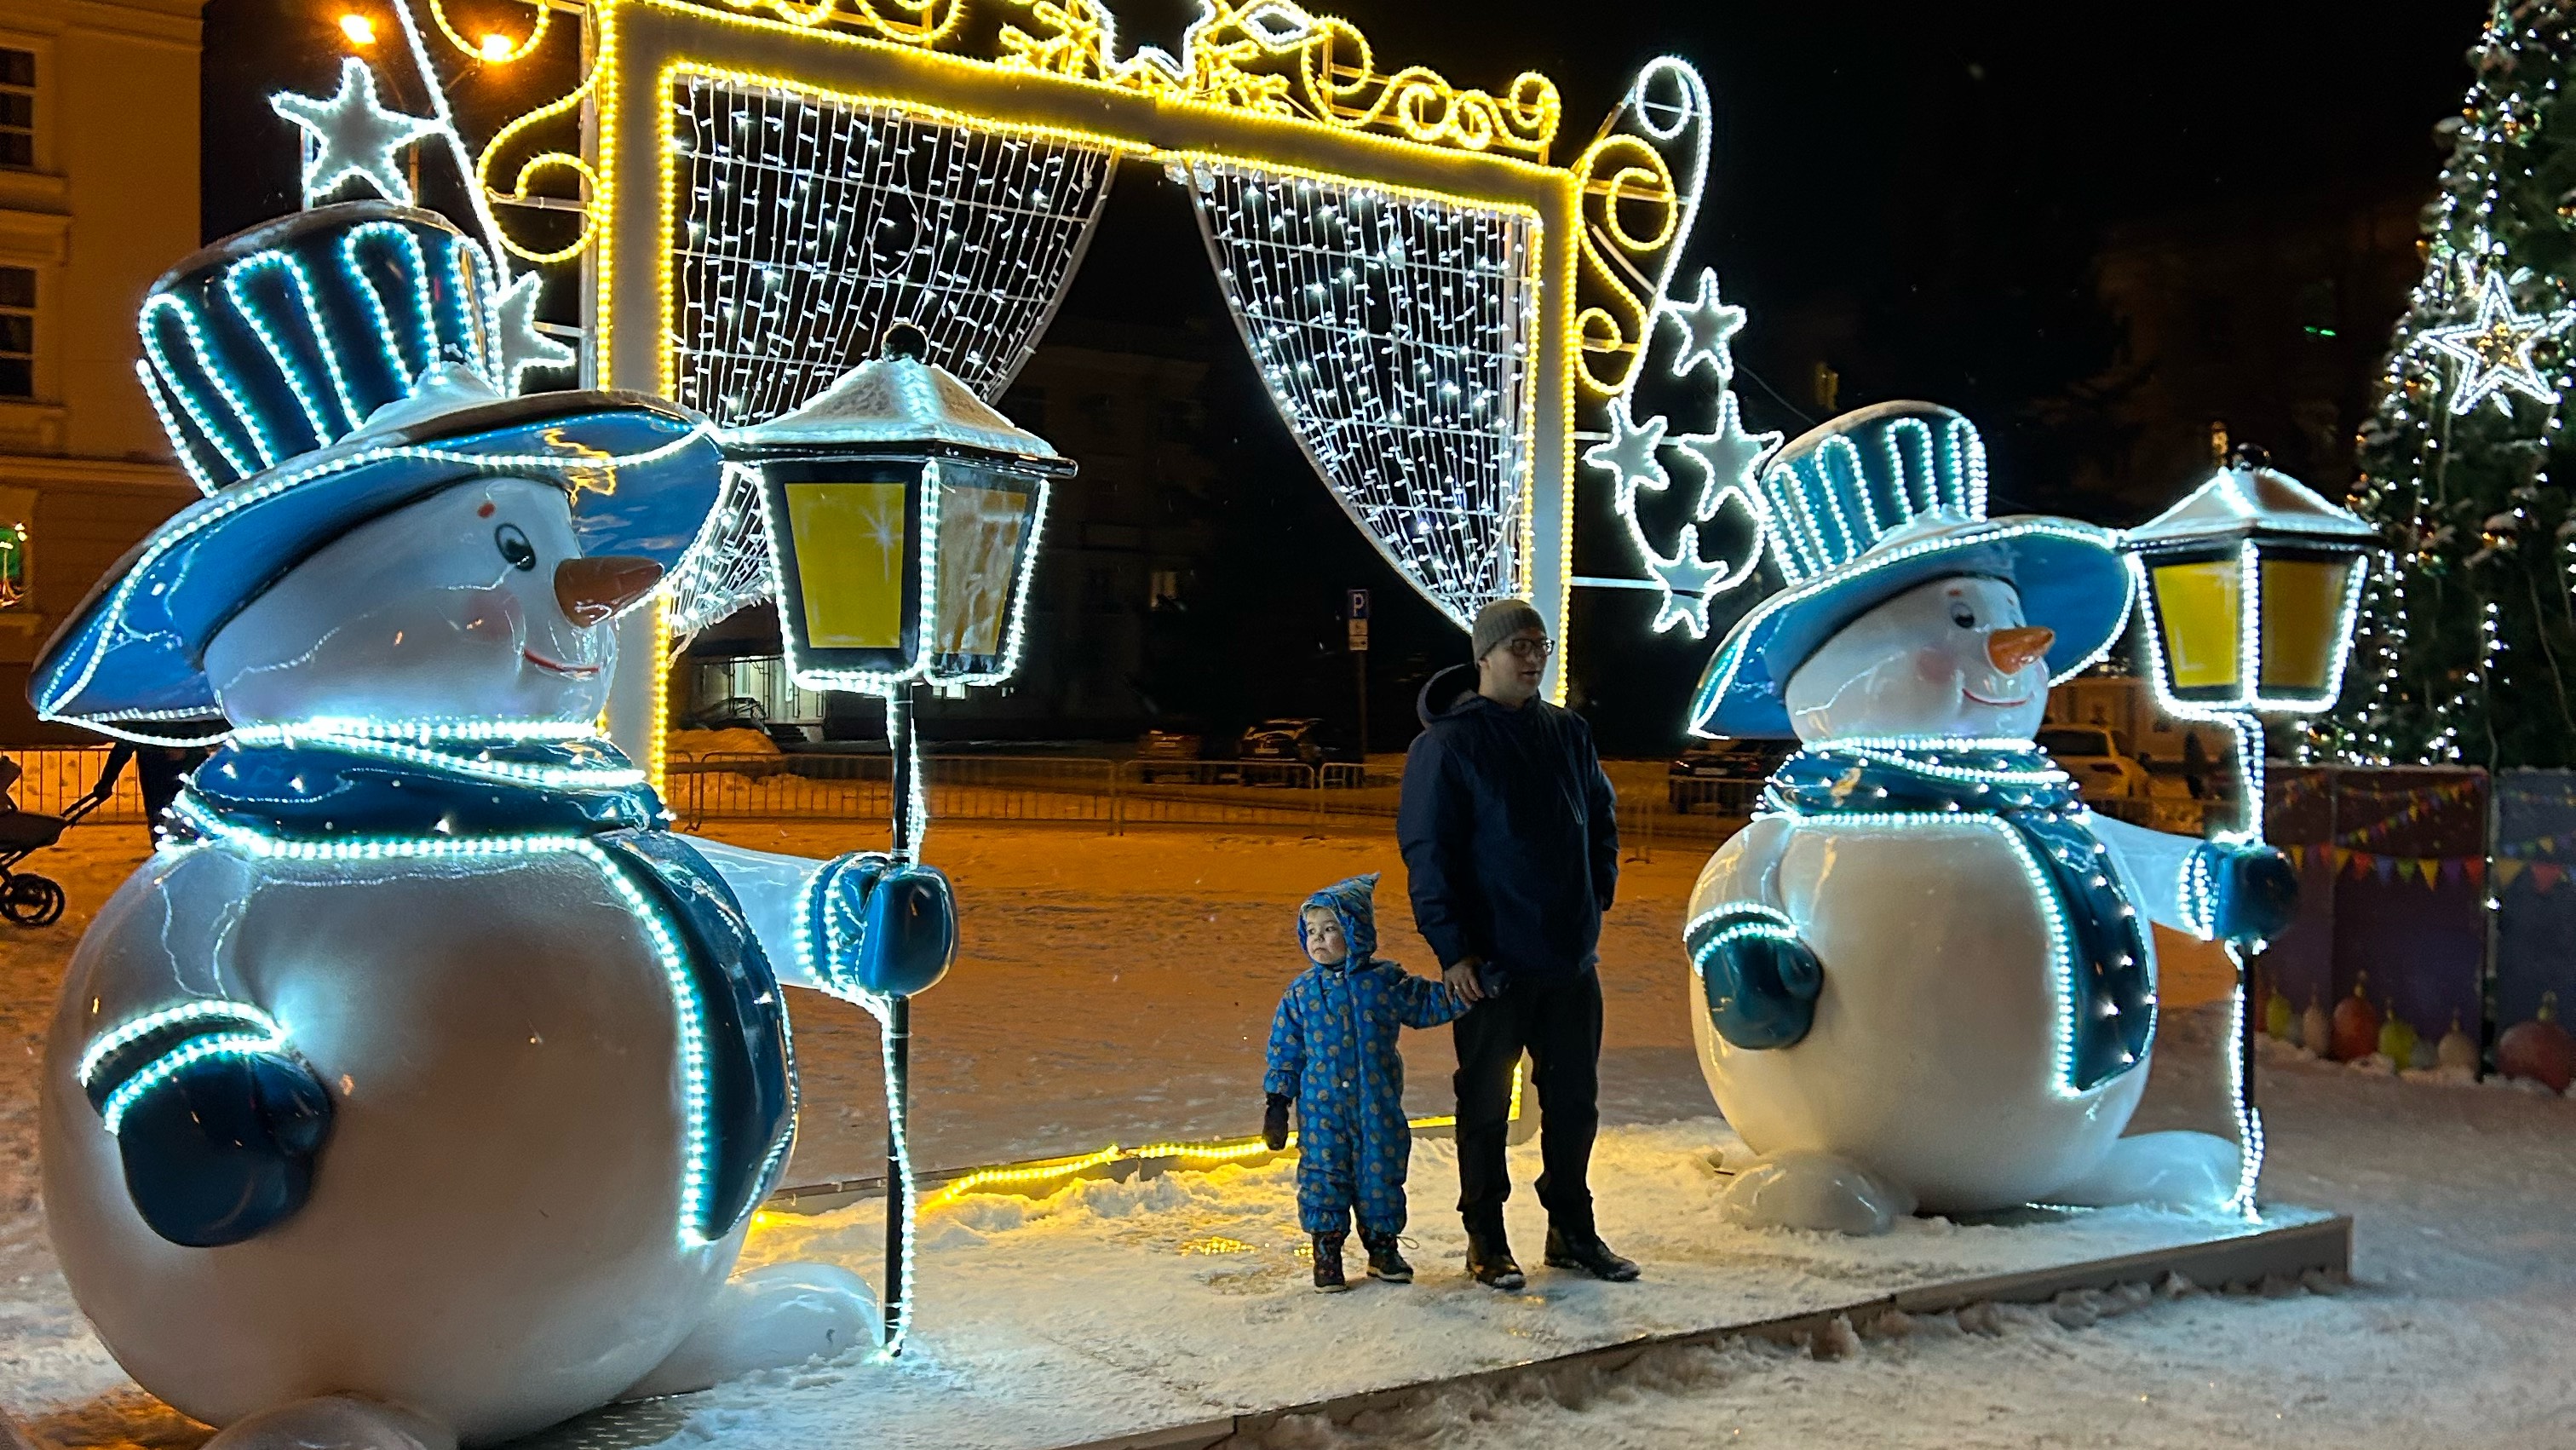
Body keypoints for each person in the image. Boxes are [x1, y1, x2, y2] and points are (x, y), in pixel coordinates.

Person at [1397, 597, 1637, 1289]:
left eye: (1542, 646)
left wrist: (1595, 899)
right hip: (1491, 967)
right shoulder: (1446, 744)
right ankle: (1486, 1237)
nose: (1533, 658)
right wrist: (1454, 950)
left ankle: (1571, 1230)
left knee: (1574, 1104)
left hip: (1567, 962)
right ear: (1485, 656)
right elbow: (1428, 852)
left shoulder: (1568, 733)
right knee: (1482, 1105)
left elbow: (1601, 820)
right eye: (1519, 646)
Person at [1262, 873, 1468, 1292]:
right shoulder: (1301, 994)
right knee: (1324, 1177)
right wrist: (1278, 1102)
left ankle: (1382, 1247)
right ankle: (1327, 1252)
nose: (1318, 939)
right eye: (1312, 931)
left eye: (1331, 929)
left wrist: (1469, 991)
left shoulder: (1383, 982)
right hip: (1322, 1115)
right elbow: (1286, 1048)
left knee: (1381, 1176)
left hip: (1378, 1108)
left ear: (1356, 930)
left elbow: (1428, 1003)